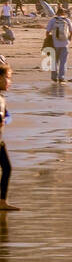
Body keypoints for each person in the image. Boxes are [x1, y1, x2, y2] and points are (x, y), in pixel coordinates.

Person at [0, 62, 17, 211]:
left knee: (7, 168)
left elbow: (8, 115)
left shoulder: (1, 98)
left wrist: (4, 120)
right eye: (8, 78)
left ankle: (2, 201)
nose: (9, 82)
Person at [44, 6, 72, 82]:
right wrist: (69, 41)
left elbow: (47, 32)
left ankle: (54, 77)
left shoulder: (53, 20)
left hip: (55, 44)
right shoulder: (67, 20)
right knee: (63, 62)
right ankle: (61, 77)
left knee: (54, 61)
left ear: (57, 13)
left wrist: (49, 40)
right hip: (65, 44)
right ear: (64, 13)